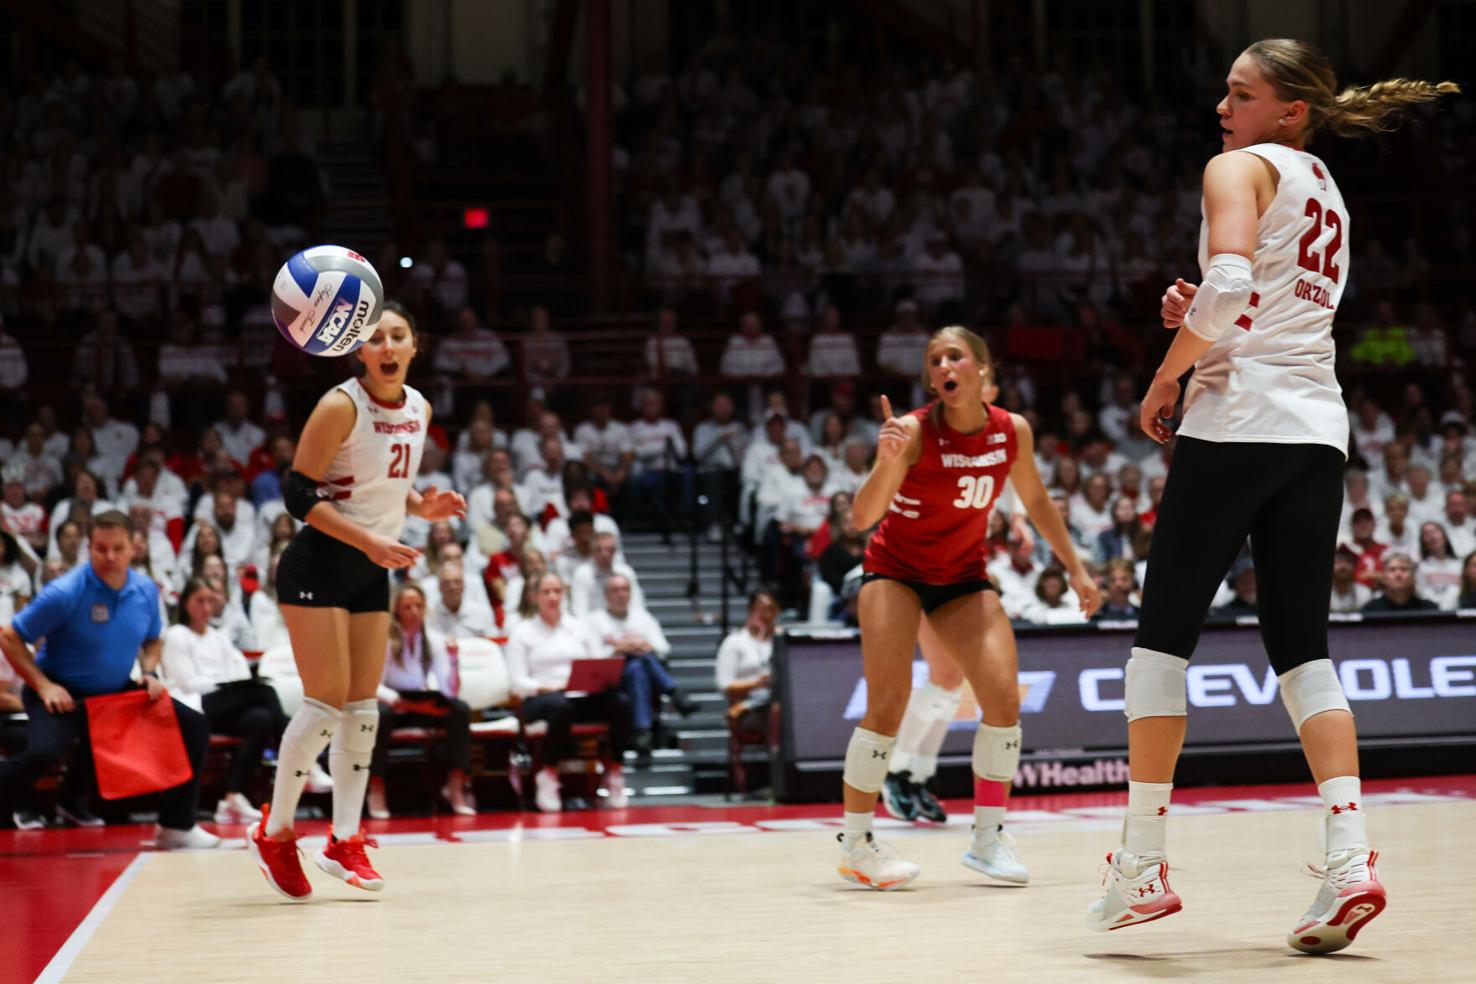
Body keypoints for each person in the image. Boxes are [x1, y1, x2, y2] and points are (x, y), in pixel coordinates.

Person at [1087, 41, 1454, 953]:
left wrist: (1168, 374)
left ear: (1288, 109)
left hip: (1237, 421)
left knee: (1159, 643)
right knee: (1303, 651)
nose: (1222, 105)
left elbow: (1231, 284)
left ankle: (1142, 865)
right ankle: (1350, 858)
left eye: (1241, 94)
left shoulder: (1233, 167)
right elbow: (1255, 301)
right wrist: (1200, 320)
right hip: (1316, 431)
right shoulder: (1324, 183)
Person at [839, 326, 1099, 890]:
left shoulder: (1012, 431)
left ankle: (987, 838)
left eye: (953, 355)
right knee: (887, 702)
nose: (942, 366)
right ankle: (857, 842)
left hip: (961, 575)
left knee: (1003, 700)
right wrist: (885, 462)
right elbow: (860, 519)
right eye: (933, 360)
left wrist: (1076, 568)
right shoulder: (910, 430)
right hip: (896, 571)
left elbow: (1034, 500)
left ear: (982, 368)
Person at [247, 302, 466, 901]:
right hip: (320, 561)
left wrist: (425, 508)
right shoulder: (340, 404)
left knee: (363, 709)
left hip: (370, 567)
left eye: (398, 336)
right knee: (324, 704)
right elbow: (297, 492)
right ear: (358, 351)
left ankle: (343, 840)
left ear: (414, 346)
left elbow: (387, 486)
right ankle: (275, 833)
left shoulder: (418, 407)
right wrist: (369, 538)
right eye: (375, 339)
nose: (387, 347)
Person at [0, 511, 218, 846]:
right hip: (62, 693)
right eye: (101, 549)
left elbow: (153, 638)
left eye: (118, 548)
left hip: (116, 693)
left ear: (135, 548)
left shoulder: (145, 589)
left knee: (194, 726)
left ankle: (176, 827)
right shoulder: (65, 591)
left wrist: (148, 671)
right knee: (42, 753)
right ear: (89, 548)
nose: (110, 557)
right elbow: (10, 636)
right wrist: (44, 685)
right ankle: (60, 800)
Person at [162, 578, 289, 825]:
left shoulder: (218, 637)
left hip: (222, 703)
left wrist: (226, 683)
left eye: (210, 600)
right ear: (186, 604)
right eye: (199, 600)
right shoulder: (177, 635)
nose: (206, 607)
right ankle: (298, 759)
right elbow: (188, 683)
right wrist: (222, 681)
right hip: (195, 706)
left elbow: (238, 671)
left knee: (260, 719)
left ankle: (234, 796)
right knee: (264, 692)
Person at [505, 573, 632, 813]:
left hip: (579, 696)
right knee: (560, 705)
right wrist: (545, 687)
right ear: (535, 597)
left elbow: (598, 662)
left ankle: (614, 770)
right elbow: (516, 682)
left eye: (557, 591)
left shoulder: (580, 628)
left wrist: (599, 678)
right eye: (546, 592)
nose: (552, 597)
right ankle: (549, 773)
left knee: (621, 702)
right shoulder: (522, 632)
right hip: (540, 699)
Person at [367, 583, 476, 819]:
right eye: (407, 607)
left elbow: (450, 690)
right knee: (380, 716)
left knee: (460, 710)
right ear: (397, 610)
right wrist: (406, 704)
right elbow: (372, 686)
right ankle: (376, 788)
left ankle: (455, 786)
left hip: (420, 698)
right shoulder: (384, 638)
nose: (414, 611)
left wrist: (454, 659)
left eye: (418, 606)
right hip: (391, 702)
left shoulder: (433, 640)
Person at [584, 573, 695, 767]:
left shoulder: (643, 618)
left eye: (625, 589)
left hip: (637, 676)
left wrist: (646, 645)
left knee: (638, 666)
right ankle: (674, 694)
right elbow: (593, 658)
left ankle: (643, 732)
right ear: (606, 595)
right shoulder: (594, 621)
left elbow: (663, 648)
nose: (621, 595)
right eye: (615, 590)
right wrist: (618, 649)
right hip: (609, 678)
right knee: (638, 663)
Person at [1359, 553, 1439, 613]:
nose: (1398, 574)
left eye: (1404, 569)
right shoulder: (1370, 610)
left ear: (1413, 578)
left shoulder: (1429, 610)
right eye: (1392, 570)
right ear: (1383, 578)